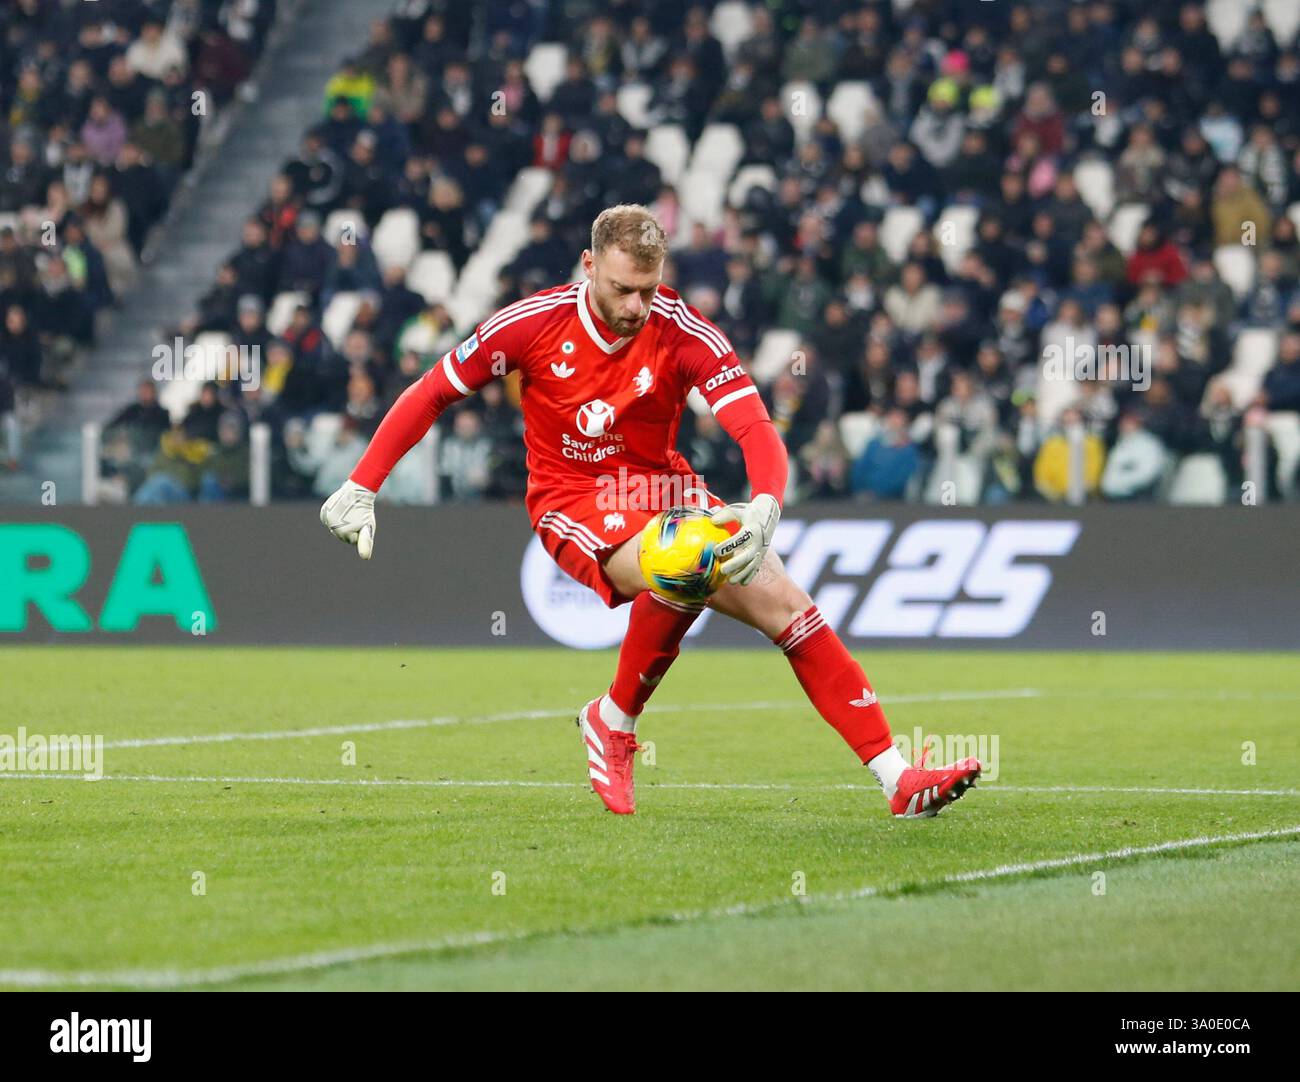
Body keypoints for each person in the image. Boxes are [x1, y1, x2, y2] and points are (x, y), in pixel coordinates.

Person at [320, 204, 981, 819]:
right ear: (589, 267)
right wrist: (363, 484)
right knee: (690, 558)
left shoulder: (681, 330)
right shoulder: (530, 325)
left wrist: (765, 506)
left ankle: (897, 781)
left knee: (791, 610)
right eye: (621, 289)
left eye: (649, 288)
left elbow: (754, 428)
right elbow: (433, 391)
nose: (637, 306)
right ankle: (615, 721)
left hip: (664, 492)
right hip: (574, 498)